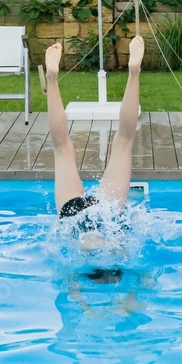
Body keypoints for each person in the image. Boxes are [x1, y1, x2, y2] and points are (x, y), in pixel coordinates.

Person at [44, 35, 144, 237]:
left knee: (124, 140)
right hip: (90, 217)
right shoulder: (95, 261)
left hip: (106, 216)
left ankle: (134, 73)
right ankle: (52, 80)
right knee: (62, 148)